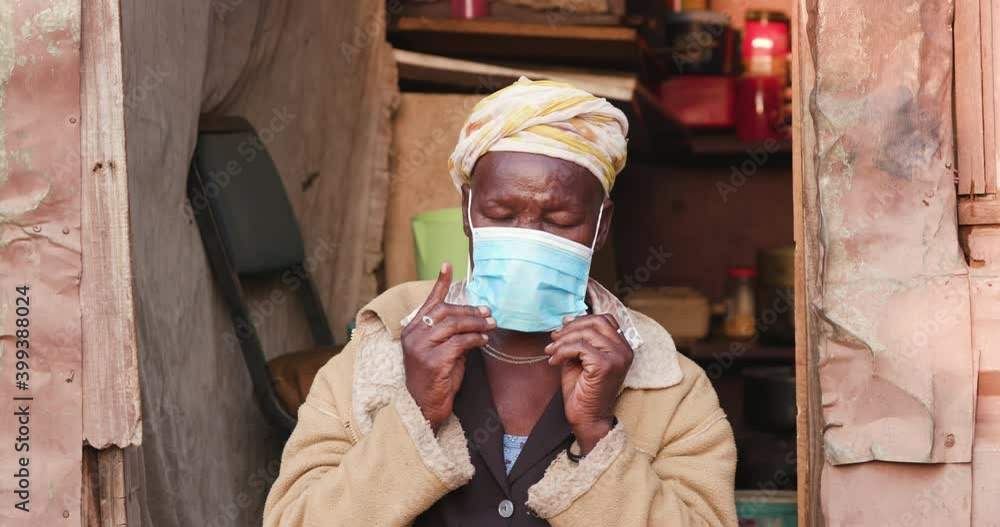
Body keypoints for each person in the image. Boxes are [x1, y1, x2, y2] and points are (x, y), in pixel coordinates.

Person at [263, 78, 737, 526]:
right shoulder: (378, 353)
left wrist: (597, 432)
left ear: (601, 224)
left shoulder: (668, 386)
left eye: (559, 218)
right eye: (502, 214)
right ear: (468, 212)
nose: (528, 237)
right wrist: (416, 415)